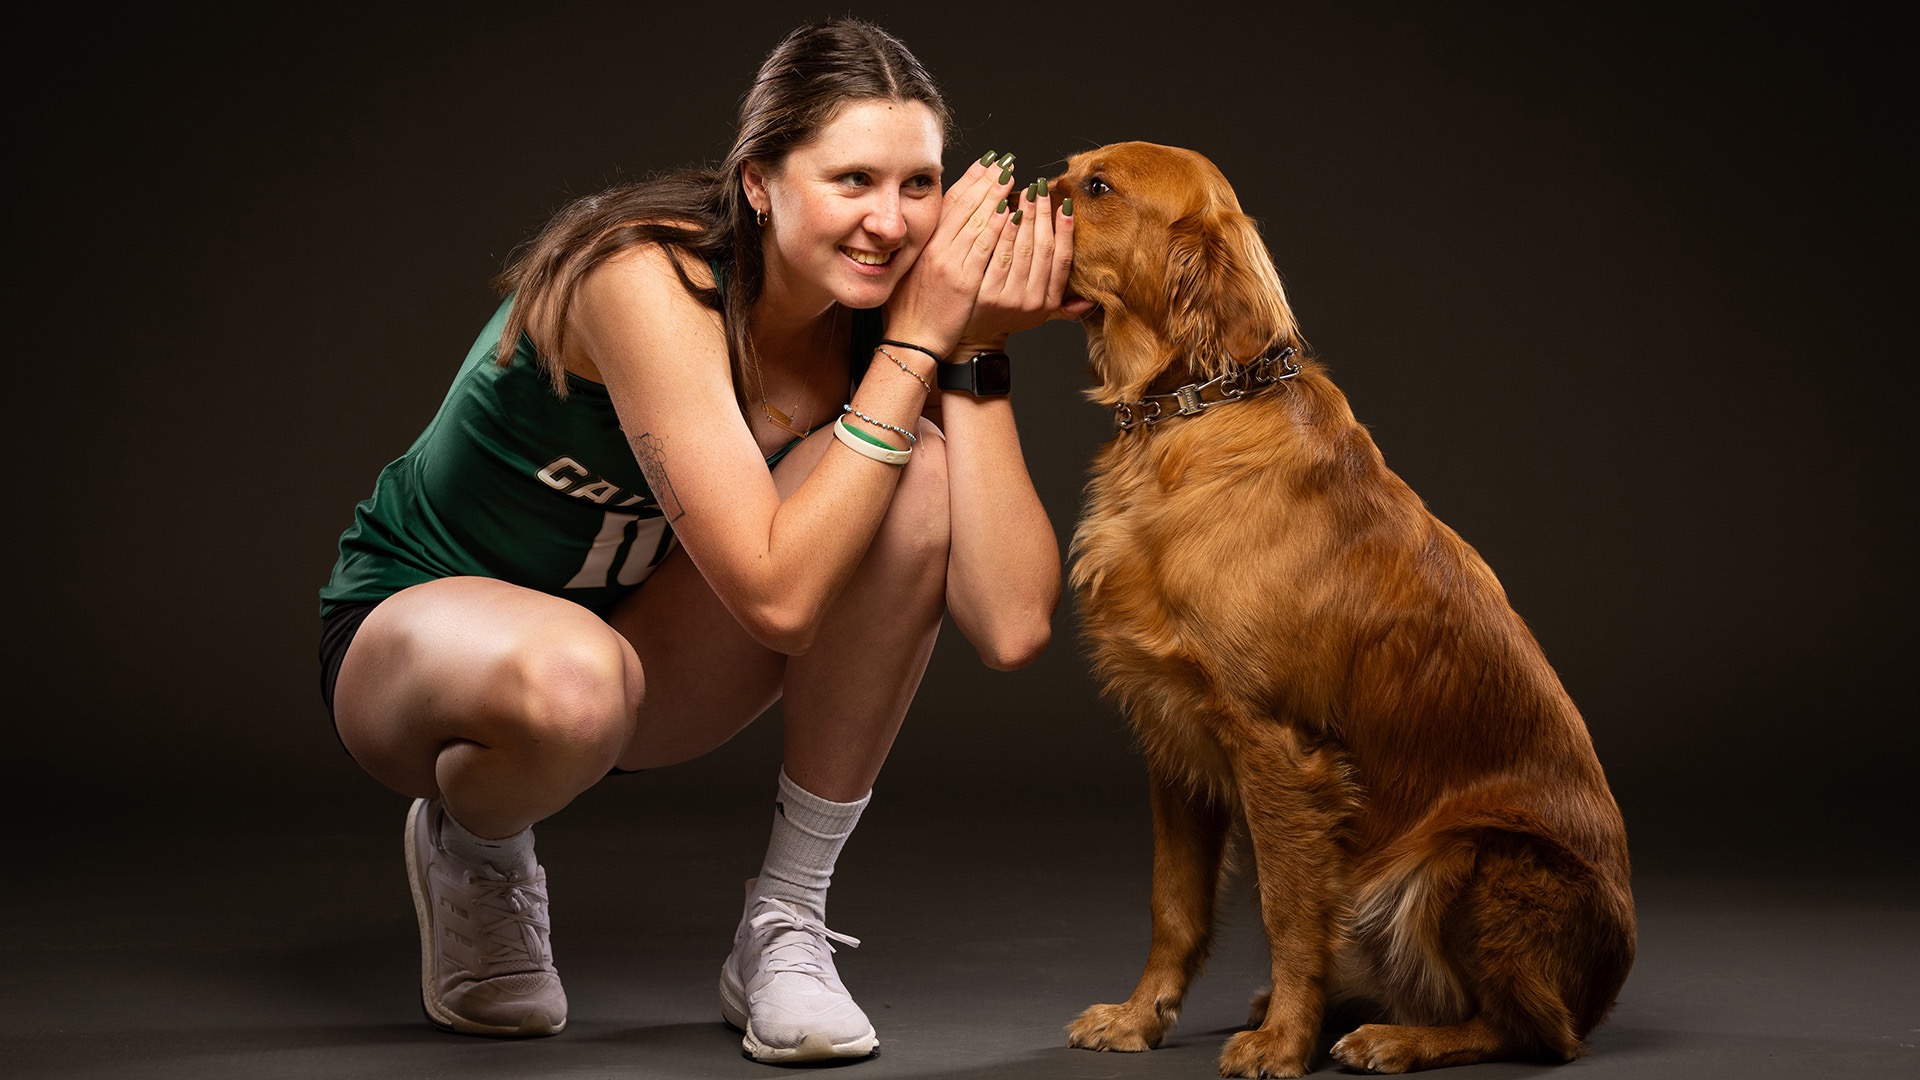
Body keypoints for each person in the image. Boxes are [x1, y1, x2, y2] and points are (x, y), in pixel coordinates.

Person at [314, 16, 1073, 1066]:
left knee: (921, 471)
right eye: (852, 178)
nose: (892, 224)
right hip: (424, 653)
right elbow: (779, 603)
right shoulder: (648, 277)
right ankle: (475, 841)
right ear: (759, 181)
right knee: (575, 681)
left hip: (645, 659)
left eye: (919, 185)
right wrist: (918, 341)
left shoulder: (893, 317)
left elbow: (1011, 622)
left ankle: (787, 925)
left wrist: (972, 353)